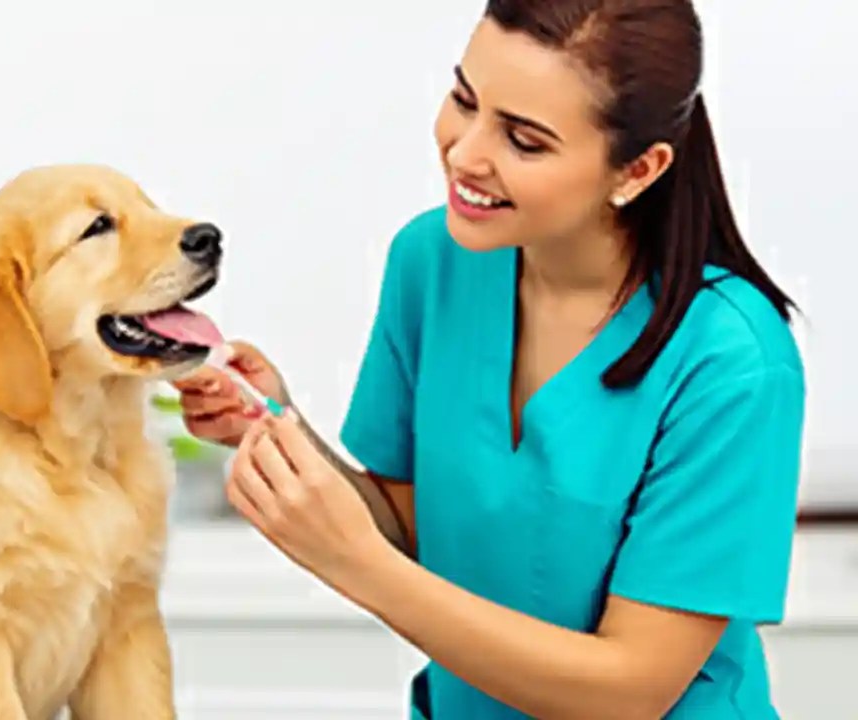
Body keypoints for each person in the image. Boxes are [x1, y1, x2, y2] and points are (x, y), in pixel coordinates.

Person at [172, 0, 807, 717]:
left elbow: (632, 689)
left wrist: (359, 568)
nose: (464, 153)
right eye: (464, 100)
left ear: (638, 169)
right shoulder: (433, 262)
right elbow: (414, 532)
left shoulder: (732, 362)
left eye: (525, 141)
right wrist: (275, 425)